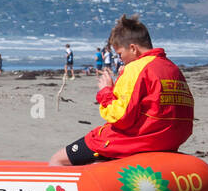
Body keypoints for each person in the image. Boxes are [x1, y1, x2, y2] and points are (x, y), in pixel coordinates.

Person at [49, 15, 194, 165]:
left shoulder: (136, 69)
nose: (120, 59)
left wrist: (106, 91)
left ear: (133, 48)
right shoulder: (172, 68)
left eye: (120, 54)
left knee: (57, 159)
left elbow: (121, 117)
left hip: (140, 140)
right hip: (171, 139)